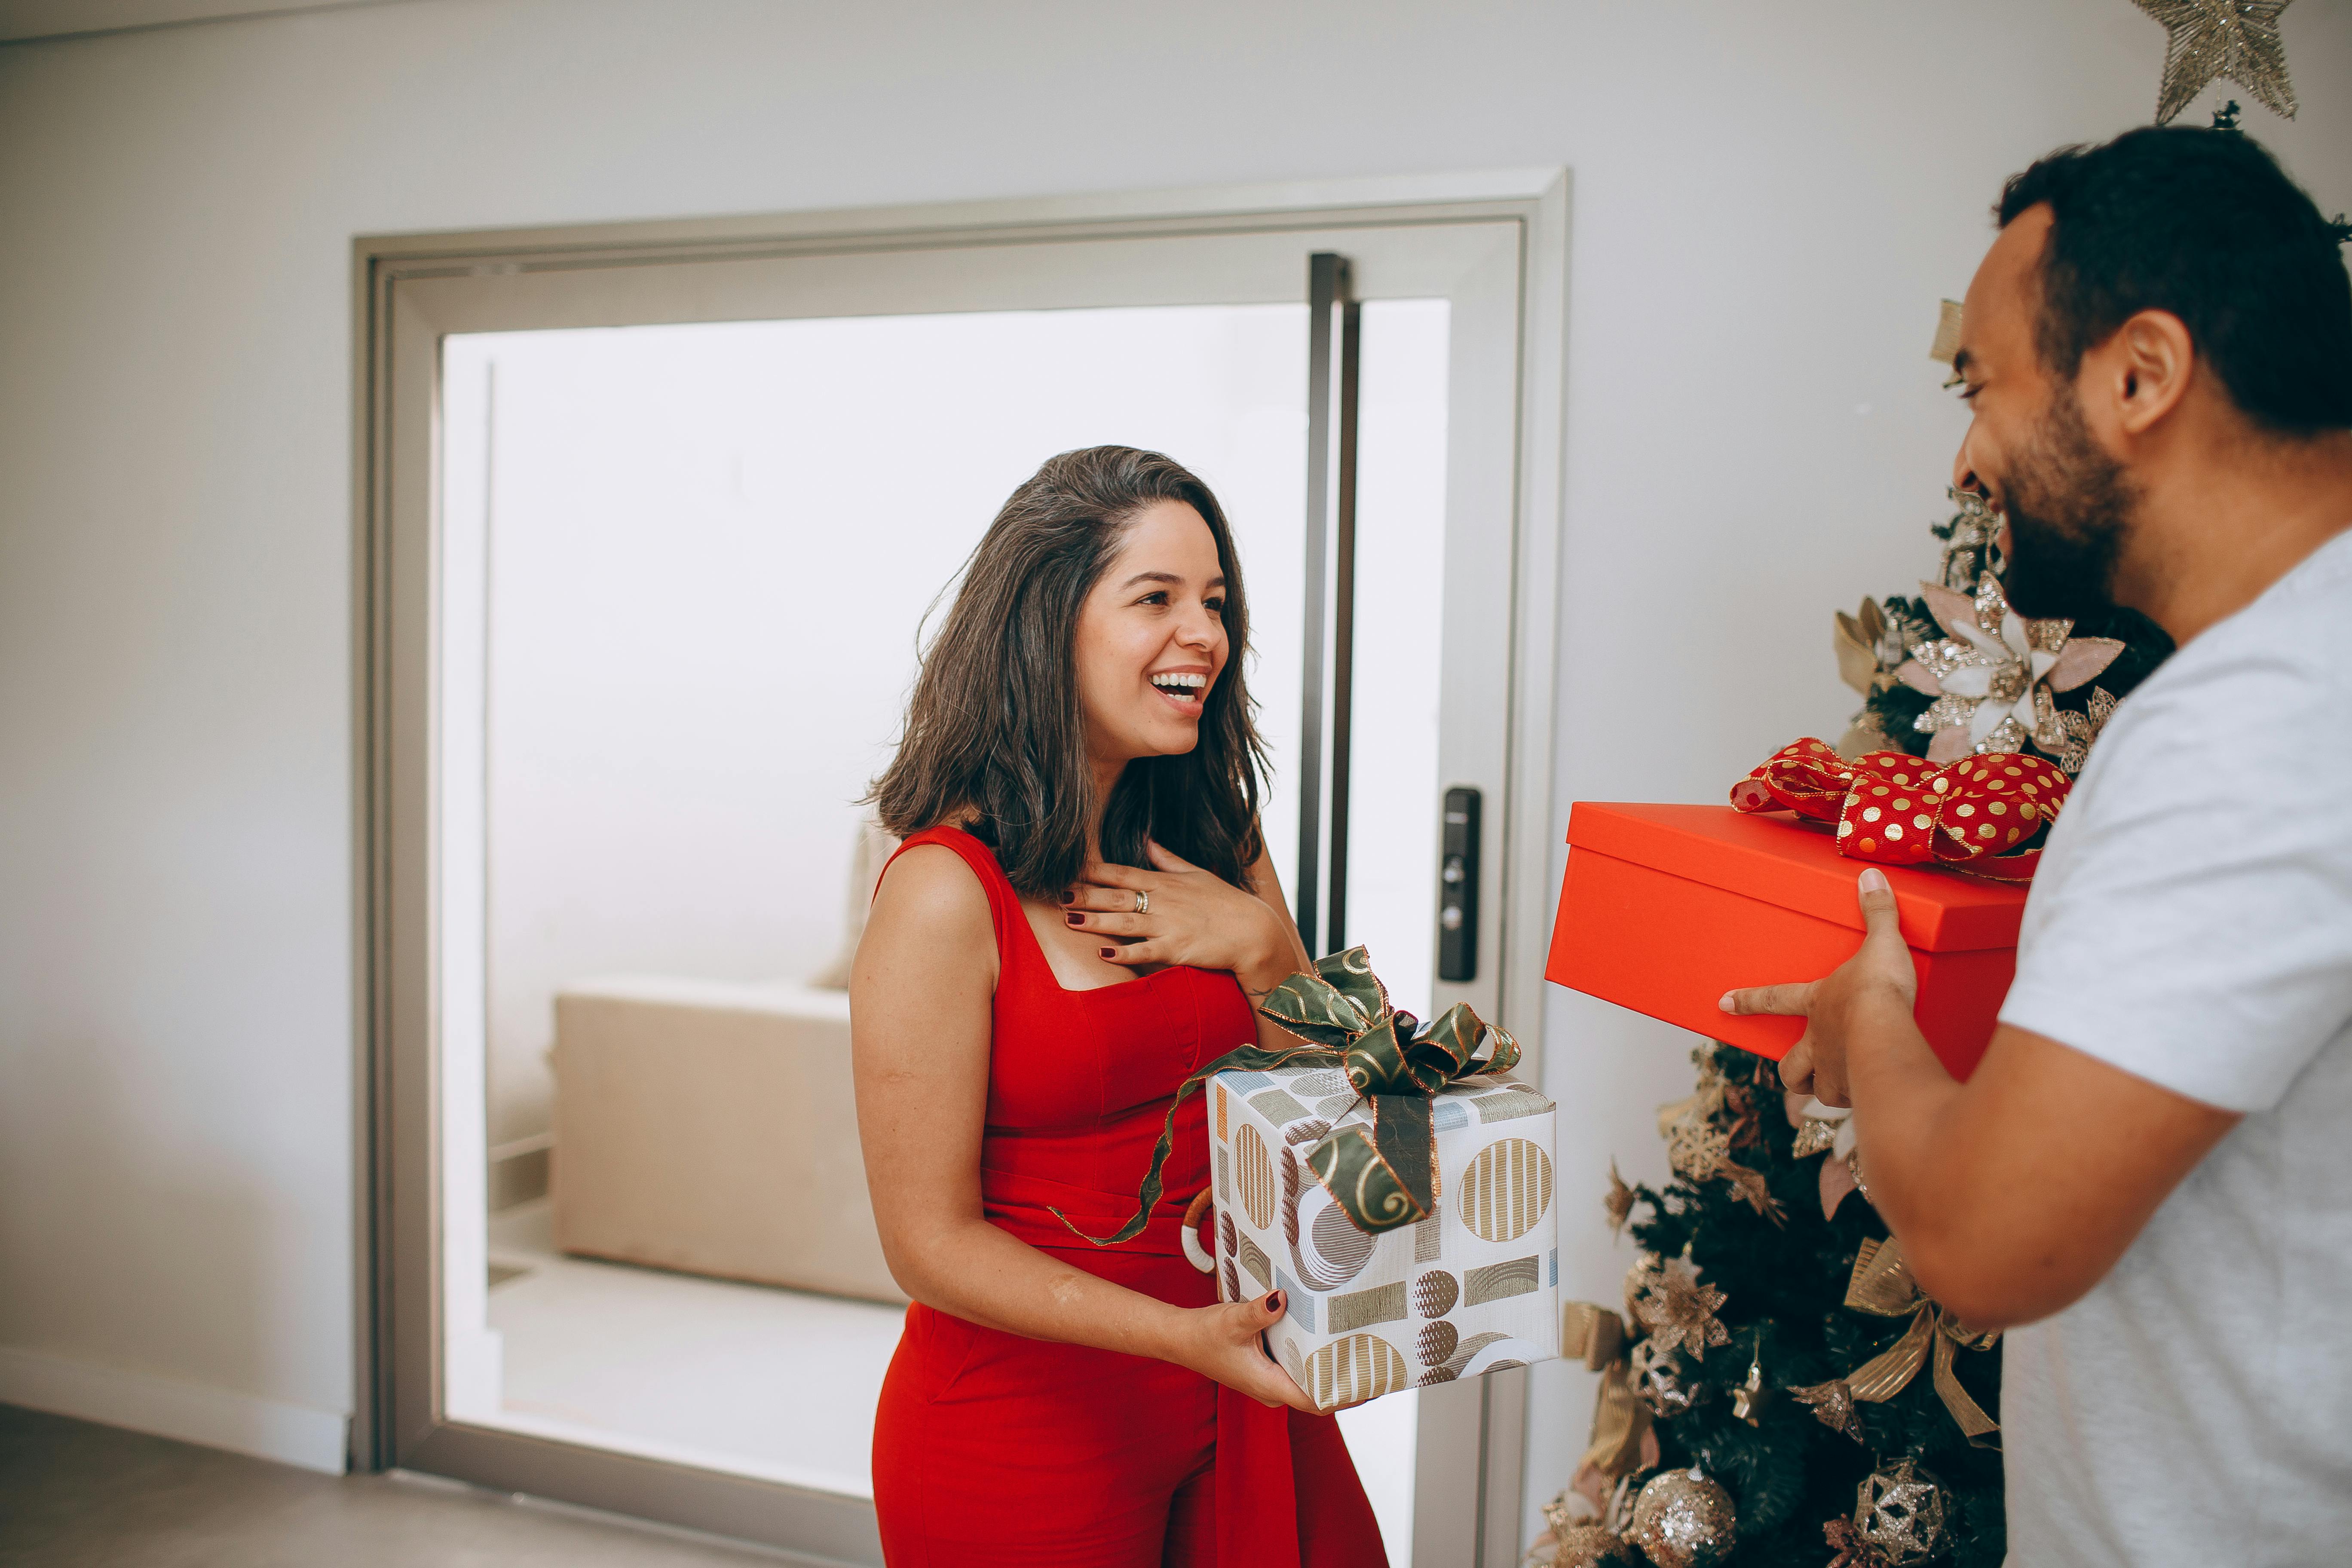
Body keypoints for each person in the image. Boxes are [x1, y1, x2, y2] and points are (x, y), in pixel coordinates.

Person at [1722, 126, 2352, 1565]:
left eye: (1982, 388)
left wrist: (1873, 1012)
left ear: (2140, 375)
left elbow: (1984, 1245)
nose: (1966, 454)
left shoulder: (2268, 715)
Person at [851, 446, 1386, 1567]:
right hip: (1024, 1428)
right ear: (1049, 624)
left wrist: (1263, 944)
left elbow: (1334, 1105)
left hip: (1240, 1387)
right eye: (1157, 598)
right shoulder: (947, 891)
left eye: (1216, 603)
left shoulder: (1214, 834)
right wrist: (1185, 1338)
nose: (1206, 635)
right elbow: (927, 1243)